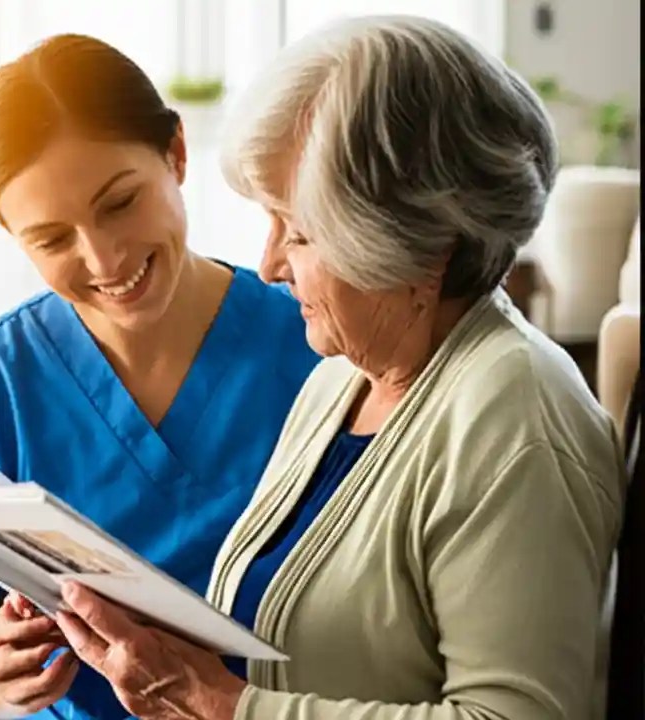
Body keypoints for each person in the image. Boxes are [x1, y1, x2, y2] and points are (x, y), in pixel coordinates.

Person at [49, 15, 627, 720]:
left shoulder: (513, 416)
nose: (268, 264)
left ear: (416, 244)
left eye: (298, 231)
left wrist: (223, 706)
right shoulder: (344, 379)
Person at [0, 34, 321, 720]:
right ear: (11, 234)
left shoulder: (315, 345)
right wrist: (3, 678)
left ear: (175, 154)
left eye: (120, 203)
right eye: (52, 240)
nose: (104, 257)